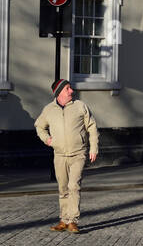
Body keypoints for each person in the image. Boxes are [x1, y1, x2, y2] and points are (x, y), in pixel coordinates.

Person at [34, 79, 99, 232]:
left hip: (79, 153)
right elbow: (39, 126)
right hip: (59, 155)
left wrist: (93, 148)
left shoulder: (80, 106)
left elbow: (92, 127)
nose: (71, 91)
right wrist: (47, 139)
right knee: (63, 189)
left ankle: (73, 221)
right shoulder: (49, 109)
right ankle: (64, 220)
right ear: (59, 92)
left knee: (73, 186)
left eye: (70, 88)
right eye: (68, 89)